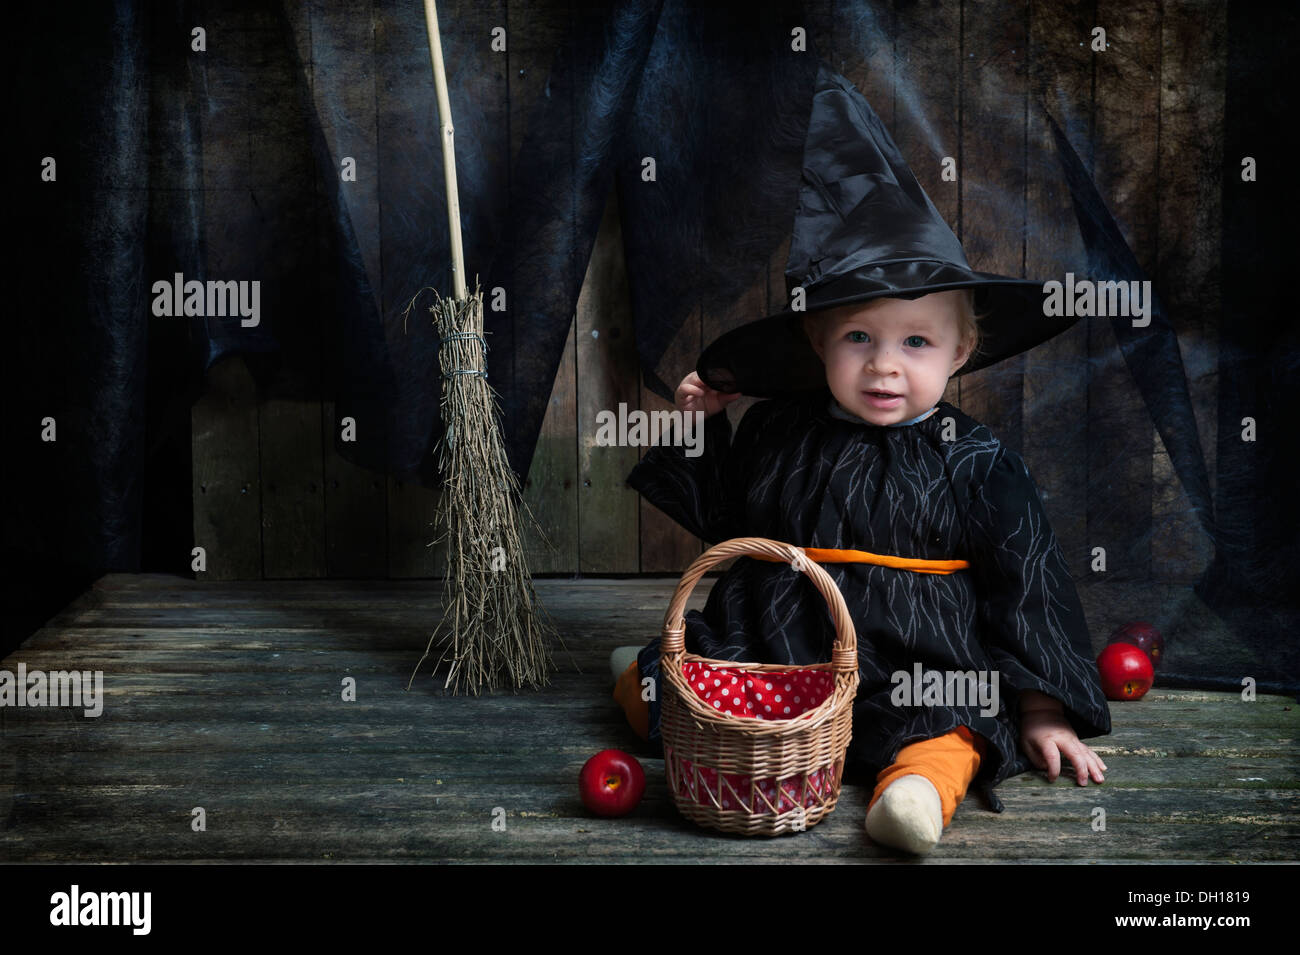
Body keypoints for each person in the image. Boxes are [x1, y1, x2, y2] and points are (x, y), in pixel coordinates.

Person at [607, 60, 1111, 854]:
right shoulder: (778, 429)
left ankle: (914, 793)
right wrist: (699, 425)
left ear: (961, 351)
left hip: (917, 648)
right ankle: (659, 679)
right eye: (858, 338)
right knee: (679, 682)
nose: (885, 366)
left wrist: (1043, 706)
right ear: (817, 343)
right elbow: (725, 521)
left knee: (943, 721)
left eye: (916, 342)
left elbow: (1030, 585)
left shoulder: (978, 462)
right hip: (782, 634)